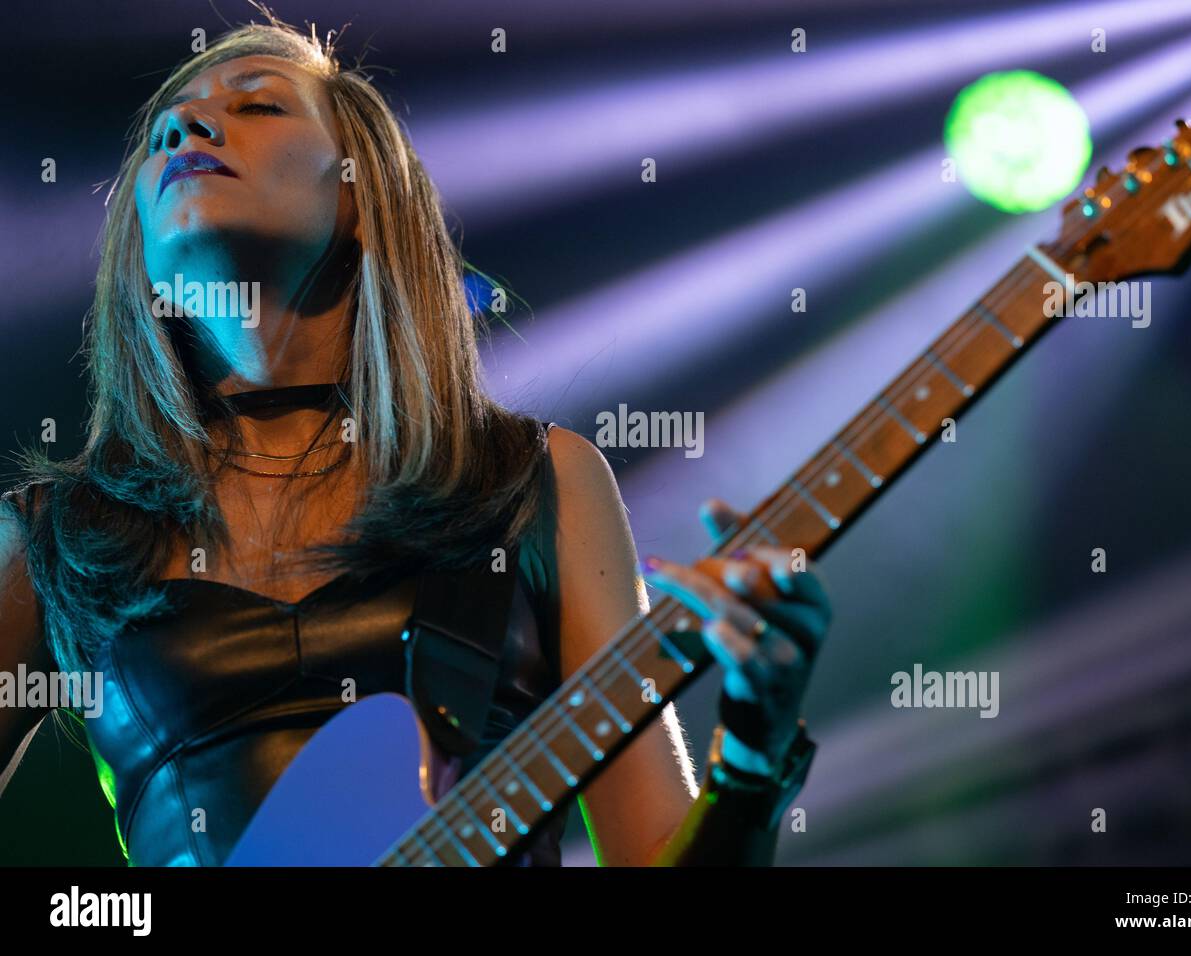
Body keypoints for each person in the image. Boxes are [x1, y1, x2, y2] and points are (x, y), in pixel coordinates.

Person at [0, 17, 832, 866]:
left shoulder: (532, 483)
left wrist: (755, 759)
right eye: (166, 127)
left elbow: (652, 849)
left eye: (258, 105)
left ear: (363, 192)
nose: (185, 127)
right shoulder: (56, 533)